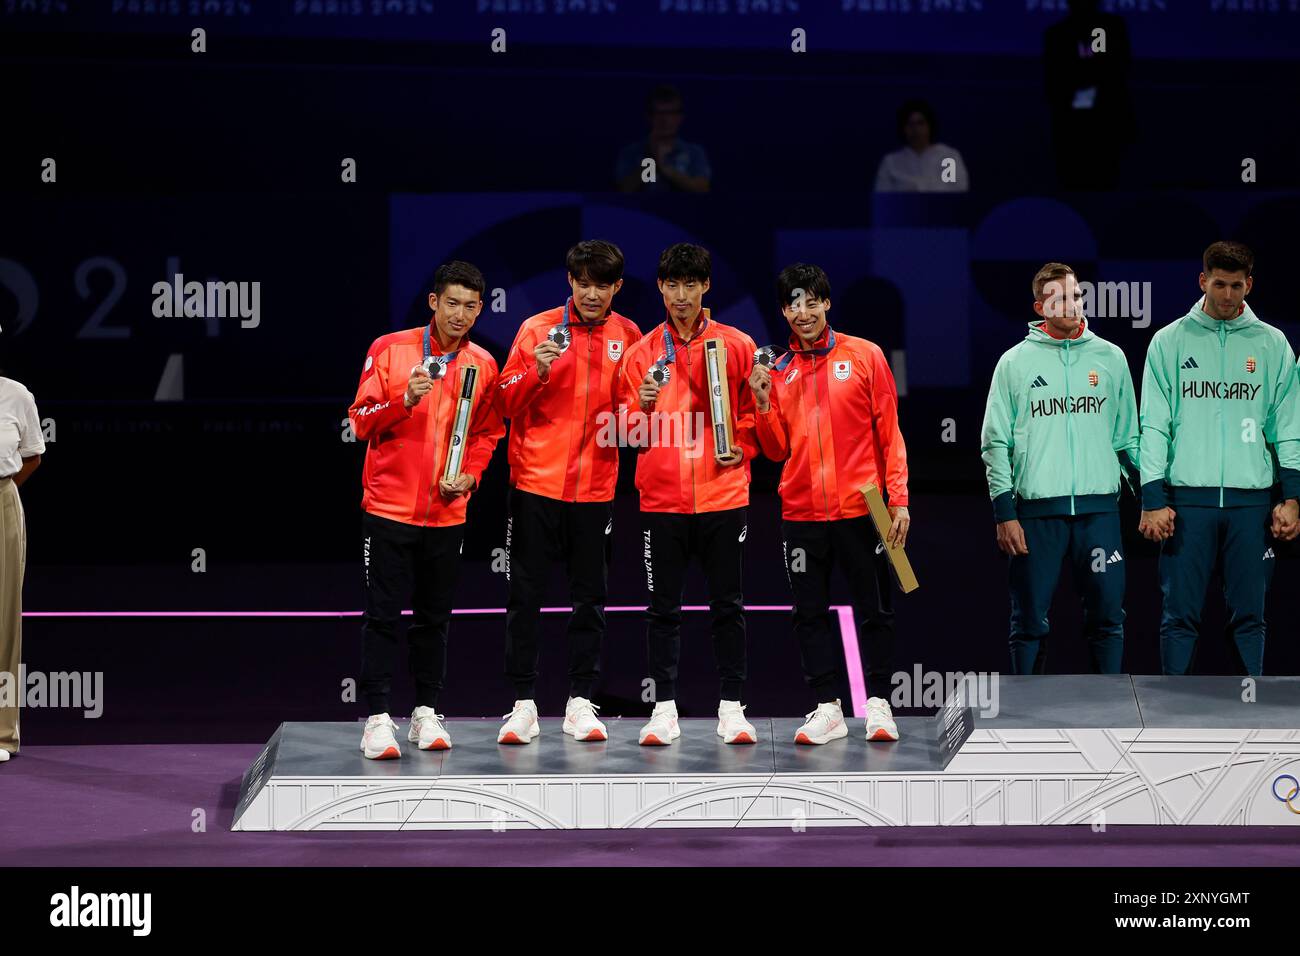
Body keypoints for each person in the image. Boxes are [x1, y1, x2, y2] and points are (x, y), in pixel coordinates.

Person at [347, 261, 505, 759]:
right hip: (389, 510)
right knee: (382, 616)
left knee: (434, 619)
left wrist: (472, 475)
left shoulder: (483, 363)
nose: (460, 315)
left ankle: (425, 713)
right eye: (452, 303)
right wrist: (402, 399)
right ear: (433, 302)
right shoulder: (390, 349)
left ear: (481, 308)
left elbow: (486, 433)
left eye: (470, 306)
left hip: (446, 513)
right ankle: (376, 718)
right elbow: (359, 421)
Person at [751, 263, 910, 744]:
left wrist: (898, 499)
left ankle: (879, 704)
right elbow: (776, 450)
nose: (803, 312)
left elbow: (890, 432)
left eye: (811, 302)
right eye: (792, 305)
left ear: (827, 303)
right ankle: (827, 708)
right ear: (784, 311)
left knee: (877, 608)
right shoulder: (776, 370)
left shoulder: (866, 356)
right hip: (800, 512)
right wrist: (761, 405)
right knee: (809, 614)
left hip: (867, 508)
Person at [494, 241, 642, 745]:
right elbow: (504, 403)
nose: (592, 293)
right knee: (525, 598)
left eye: (603, 285)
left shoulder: (630, 335)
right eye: (584, 283)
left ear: (617, 287)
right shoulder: (536, 330)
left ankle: (580, 702)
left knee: (590, 600)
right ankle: (522, 706)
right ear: (570, 282)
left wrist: (641, 406)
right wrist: (534, 369)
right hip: (535, 484)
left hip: (596, 489)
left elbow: (631, 423)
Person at [618, 242, 759, 746]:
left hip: (723, 498)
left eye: (690, 285)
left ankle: (732, 708)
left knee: (729, 605)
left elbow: (754, 417)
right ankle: (664, 709)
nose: (681, 296)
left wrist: (739, 447)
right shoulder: (640, 354)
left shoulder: (738, 345)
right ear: (660, 287)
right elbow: (623, 433)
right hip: (662, 503)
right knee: (662, 609)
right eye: (672, 285)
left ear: (706, 287)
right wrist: (639, 407)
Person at [1139, 241, 1300, 676]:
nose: (1227, 295)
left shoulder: (1272, 344)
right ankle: (1169, 717)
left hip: (1251, 506)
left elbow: (1287, 427)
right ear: (1202, 281)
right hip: (1189, 503)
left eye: (1236, 286)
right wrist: (1152, 499)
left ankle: (1251, 713)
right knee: (1179, 618)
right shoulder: (1169, 341)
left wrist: (1293, 498)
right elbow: (1153, 425)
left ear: (1249, 284)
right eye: (1219, 284)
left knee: (1250, 619)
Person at [980, 263, 1139, 676]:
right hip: (1036, 513)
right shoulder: (1013, 363)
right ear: (1040, 306)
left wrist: (1154, 497)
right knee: (1029, 619)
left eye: (1076, 296)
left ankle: (1110, 705)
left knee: (1108, 615)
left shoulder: (1111, 358)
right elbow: (995, 444)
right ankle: (1027, 714)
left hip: (1099, 512)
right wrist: (1004, 514)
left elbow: (1128, 439)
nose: (1071, 305)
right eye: (1060, 298)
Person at [0, 375, 44, 763]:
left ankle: (2, 733)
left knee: (4, 621)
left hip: (2, 501)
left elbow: (32, 456)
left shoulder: (16, 394)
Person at [615, 85, 712, 194]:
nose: (665, 119)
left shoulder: (695, 152)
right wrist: (651, 163)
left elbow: (702, 189)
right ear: (649, 116)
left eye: (671, 113)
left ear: (680, 117)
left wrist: (667, 170)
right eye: (659, 113)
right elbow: (622, 191)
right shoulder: (631, 152)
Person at [873, 98, 969, 193]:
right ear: (903, 128)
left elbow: (958, 192)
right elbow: (883, 199)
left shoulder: (948, 157)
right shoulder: (890, 162)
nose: (915, 129)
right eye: (910, 124)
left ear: (930, 126)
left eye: (920, 123)